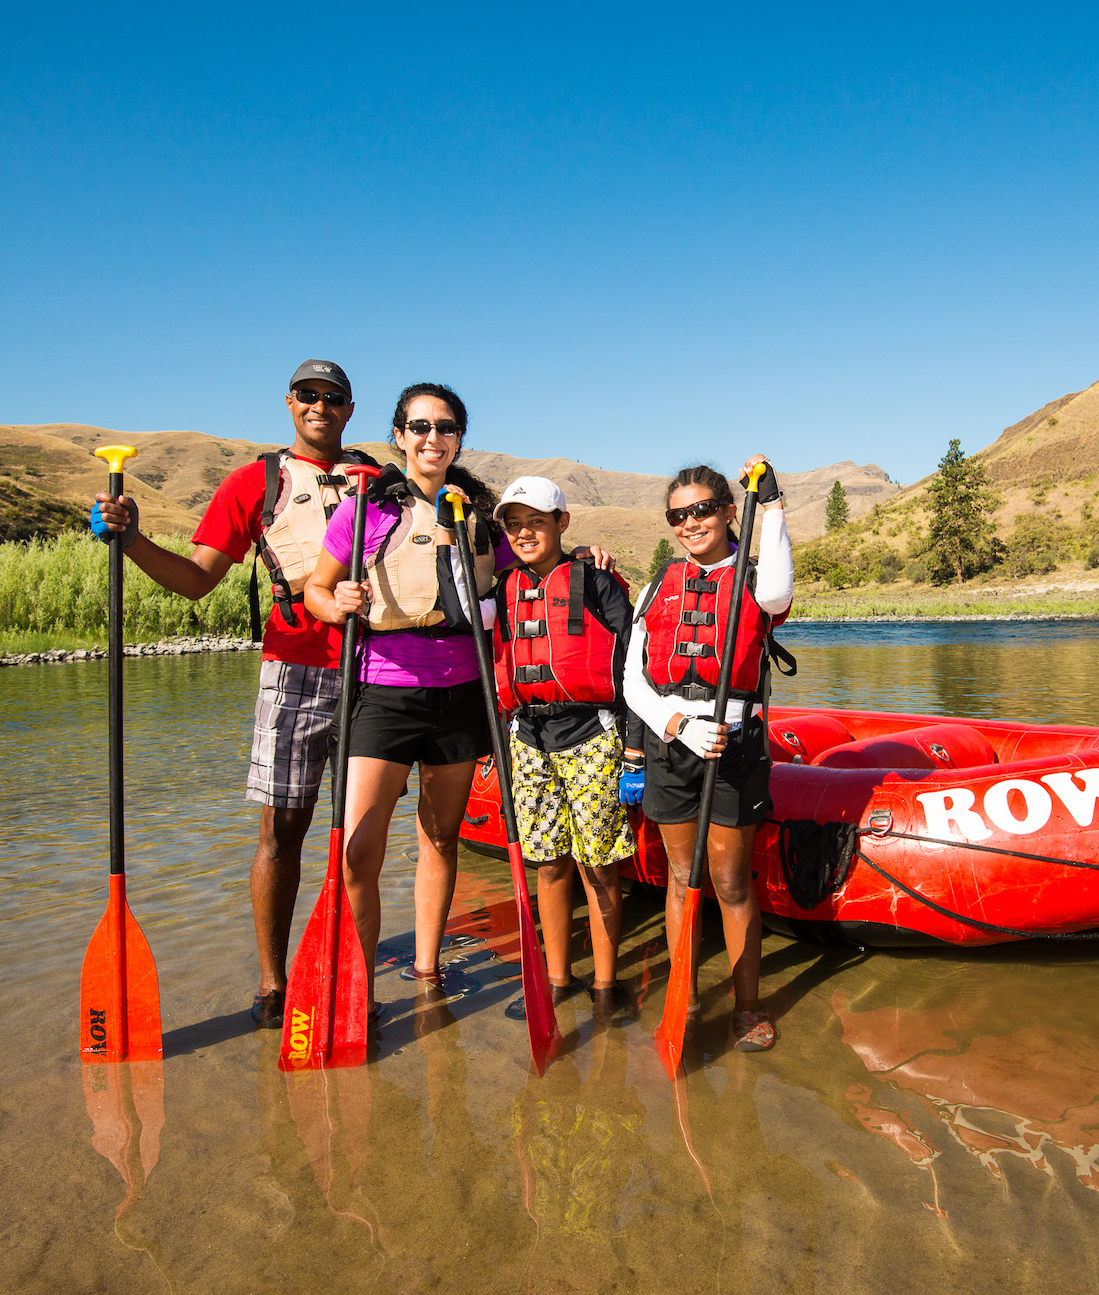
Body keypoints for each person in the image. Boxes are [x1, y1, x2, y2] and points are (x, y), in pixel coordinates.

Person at [88, 358, 375, 1029]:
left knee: (361, 839)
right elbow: (195, 580)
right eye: (308, 394)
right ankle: (274, 982)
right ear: (289, 403)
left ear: (349, 409)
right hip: (294, 668)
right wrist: (130, 539)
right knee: (282, 830)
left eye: (333, 397)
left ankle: (351, 970)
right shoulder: (254, 483)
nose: (320, 405)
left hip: (374, 669)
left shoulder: (377, 480)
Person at [303, 386, 614, 996]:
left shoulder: (476, 516)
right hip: (382, 692)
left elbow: (531, 563)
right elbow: (318, 587)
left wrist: (579, 556)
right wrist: (335, 603)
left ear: (458, 439)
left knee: (441, 836)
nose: (432, 438)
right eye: (419, 426)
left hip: (462, 691)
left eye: (445, 428)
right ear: (399, 435)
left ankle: (426, 970)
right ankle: (357, 986)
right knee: (357, 852)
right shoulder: (366, 510)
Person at [622, 459, 792, 1052]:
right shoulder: (655, 586)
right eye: (678, 515)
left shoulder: (753, 576)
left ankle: (748, 1006)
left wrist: (770, 506)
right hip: (674, 746)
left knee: (729, 881)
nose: (690, 522)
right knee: (679, 878)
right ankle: (684, 996)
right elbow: (631, 681)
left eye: (701, 510)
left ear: (726, 511)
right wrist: (677, 725)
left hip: (734, 744)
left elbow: (775, 592)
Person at [490, 475, 642, 1020]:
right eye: (514, 524)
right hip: (528, 739)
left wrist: (635, 748)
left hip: (591, 736)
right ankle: (557, 980)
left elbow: (631, 665)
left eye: (536, 521)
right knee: (548, 864)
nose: (525, 533)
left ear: (562, 523)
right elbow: (461, 616)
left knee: (598, 866)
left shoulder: (597, 581)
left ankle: (605, 984)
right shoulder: (500, 587)